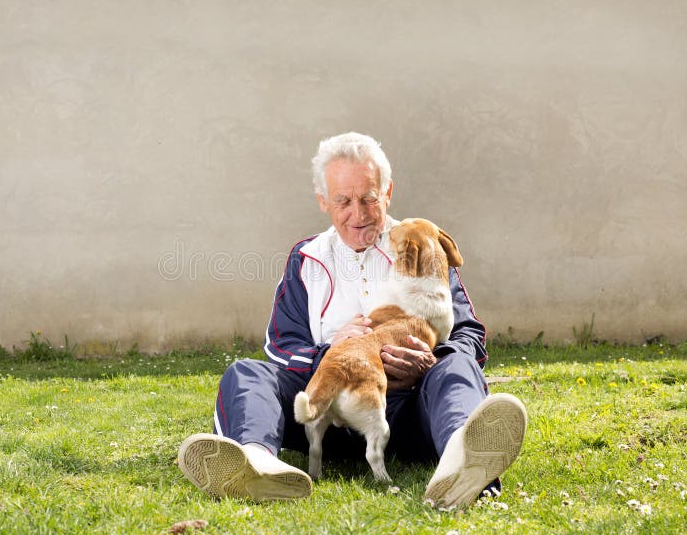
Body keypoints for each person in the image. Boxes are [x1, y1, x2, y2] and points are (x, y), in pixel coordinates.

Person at [178, 132, 527, 507]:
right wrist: (331, 354)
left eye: (369, 199)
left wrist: (427, 364)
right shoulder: (306, 257)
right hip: (325, 412)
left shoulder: (420, 242)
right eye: (343, 201)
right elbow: (282, 345)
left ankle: (463, 460)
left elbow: (467, 332)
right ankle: (256, 463)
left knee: (456, 364)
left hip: (407, 412)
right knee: (246, 372)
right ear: (323, 201)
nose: (358, 214)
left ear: (388, 192)